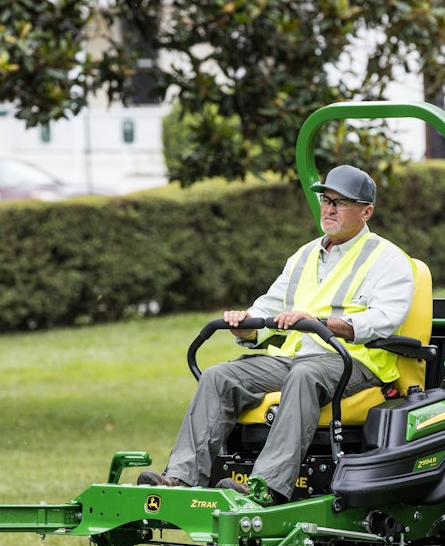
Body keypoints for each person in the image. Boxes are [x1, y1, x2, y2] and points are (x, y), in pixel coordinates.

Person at [137, 164, 415, 504]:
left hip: (353, 362)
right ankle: (180, 479)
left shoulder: (389, 259)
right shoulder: (303, 256)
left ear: (366, 211)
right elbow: (269, 306)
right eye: (326, 200)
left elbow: (384, 319)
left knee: (304, 374)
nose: (328, 208)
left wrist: (322, 322)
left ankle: (265, 488)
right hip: (295, 358)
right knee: (219, 376)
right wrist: (247, 324)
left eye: (340, 202)